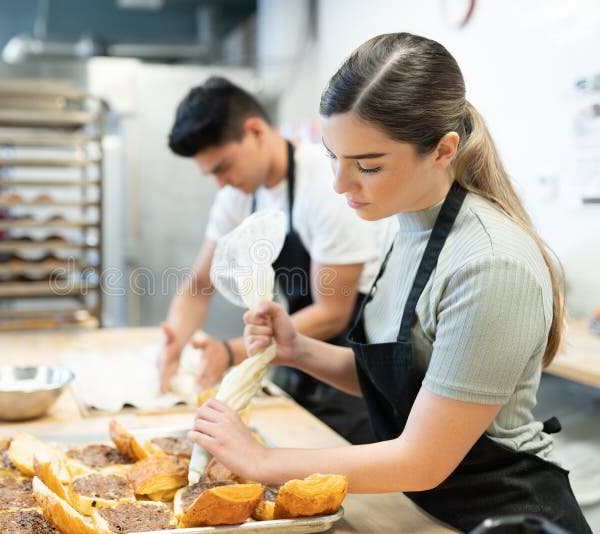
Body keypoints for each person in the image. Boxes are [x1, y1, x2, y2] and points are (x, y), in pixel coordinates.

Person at [188, 33, 591, 533]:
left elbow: (423, 458)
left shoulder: (490, 264)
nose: (340, 183)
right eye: (333, 156)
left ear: (443, 151)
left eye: (369, 165)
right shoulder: (410, 224)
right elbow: (406, 384)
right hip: (424, 508)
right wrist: (297, 349)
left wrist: (264, 462)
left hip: (506, 516)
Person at [160, 76, 387, 445]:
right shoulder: (241, 191)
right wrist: (175, 340)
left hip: (351, 370)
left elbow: (333, 312)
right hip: (296, 360)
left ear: (255, 131)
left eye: (222, 167)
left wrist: (230, 352)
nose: (221, 182)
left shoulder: (325, 187)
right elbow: (199, 285)